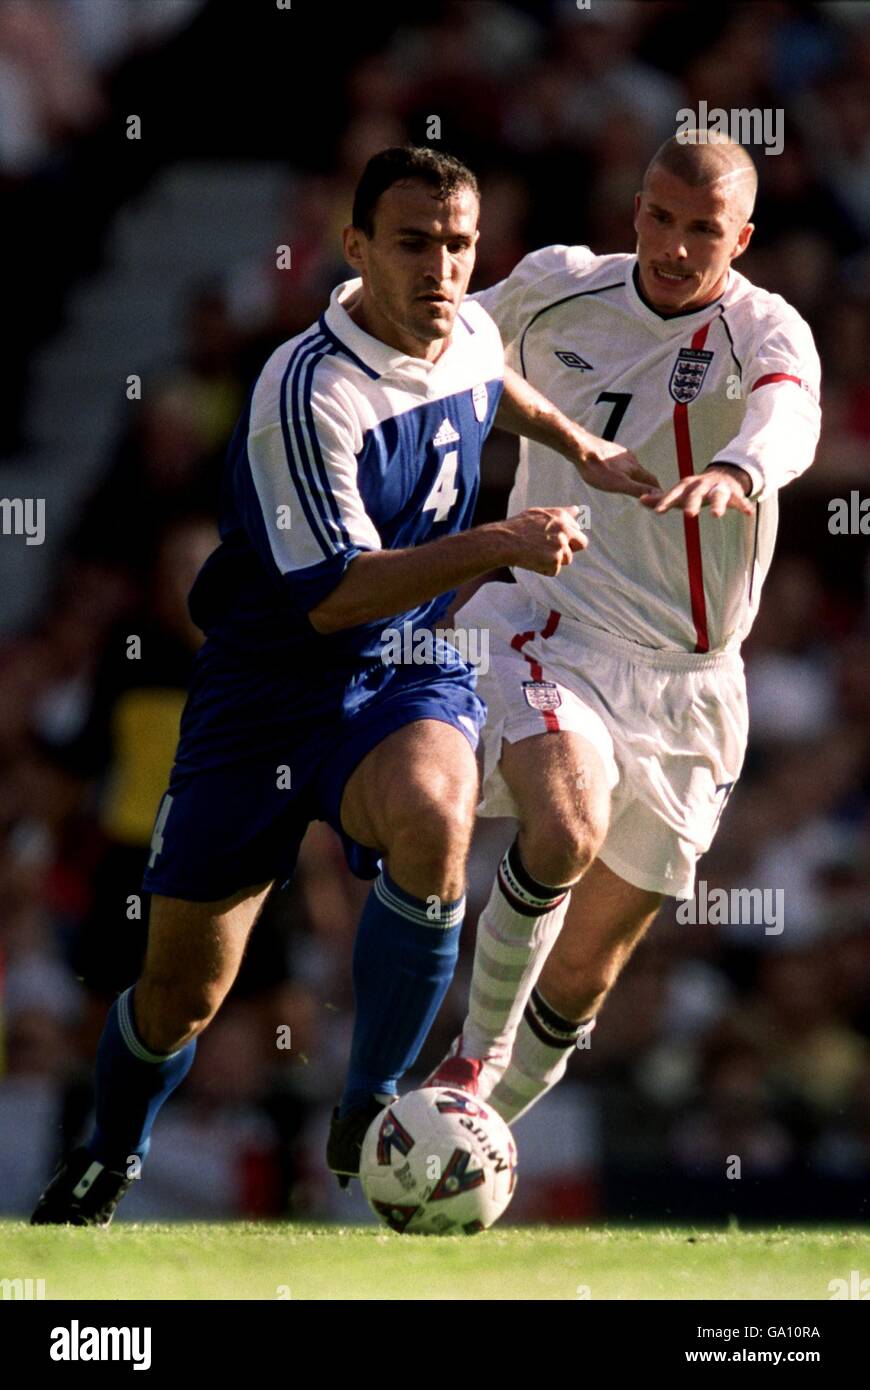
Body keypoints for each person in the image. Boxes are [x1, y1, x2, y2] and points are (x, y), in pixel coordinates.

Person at [32, 145, 655, 1224]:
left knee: (434, 810)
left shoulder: (466, 326)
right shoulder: (306, 390)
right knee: (183, 995)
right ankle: (112, 1151)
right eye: (414, 243)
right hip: (266, 693)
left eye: (459, 244)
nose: (443, 266)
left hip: (405, 670)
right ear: (355, 246)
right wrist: (501, 540)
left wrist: (576, 443)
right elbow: (332, 595)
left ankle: (371, 1108)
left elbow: (485, 381)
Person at [427, 132, 822, 1126]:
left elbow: (791, 416)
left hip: (692, 682)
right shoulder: (557, 287)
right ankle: (466, 1068)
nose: (676, 246)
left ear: (742, 235)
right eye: (659, 216)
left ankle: (472, 1147)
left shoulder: (765, 329)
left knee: (584, 977)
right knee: (563, 824)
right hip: (547, 621)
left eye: (703, 229)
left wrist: (739, 471)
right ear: (633, 206)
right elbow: (438, 351)